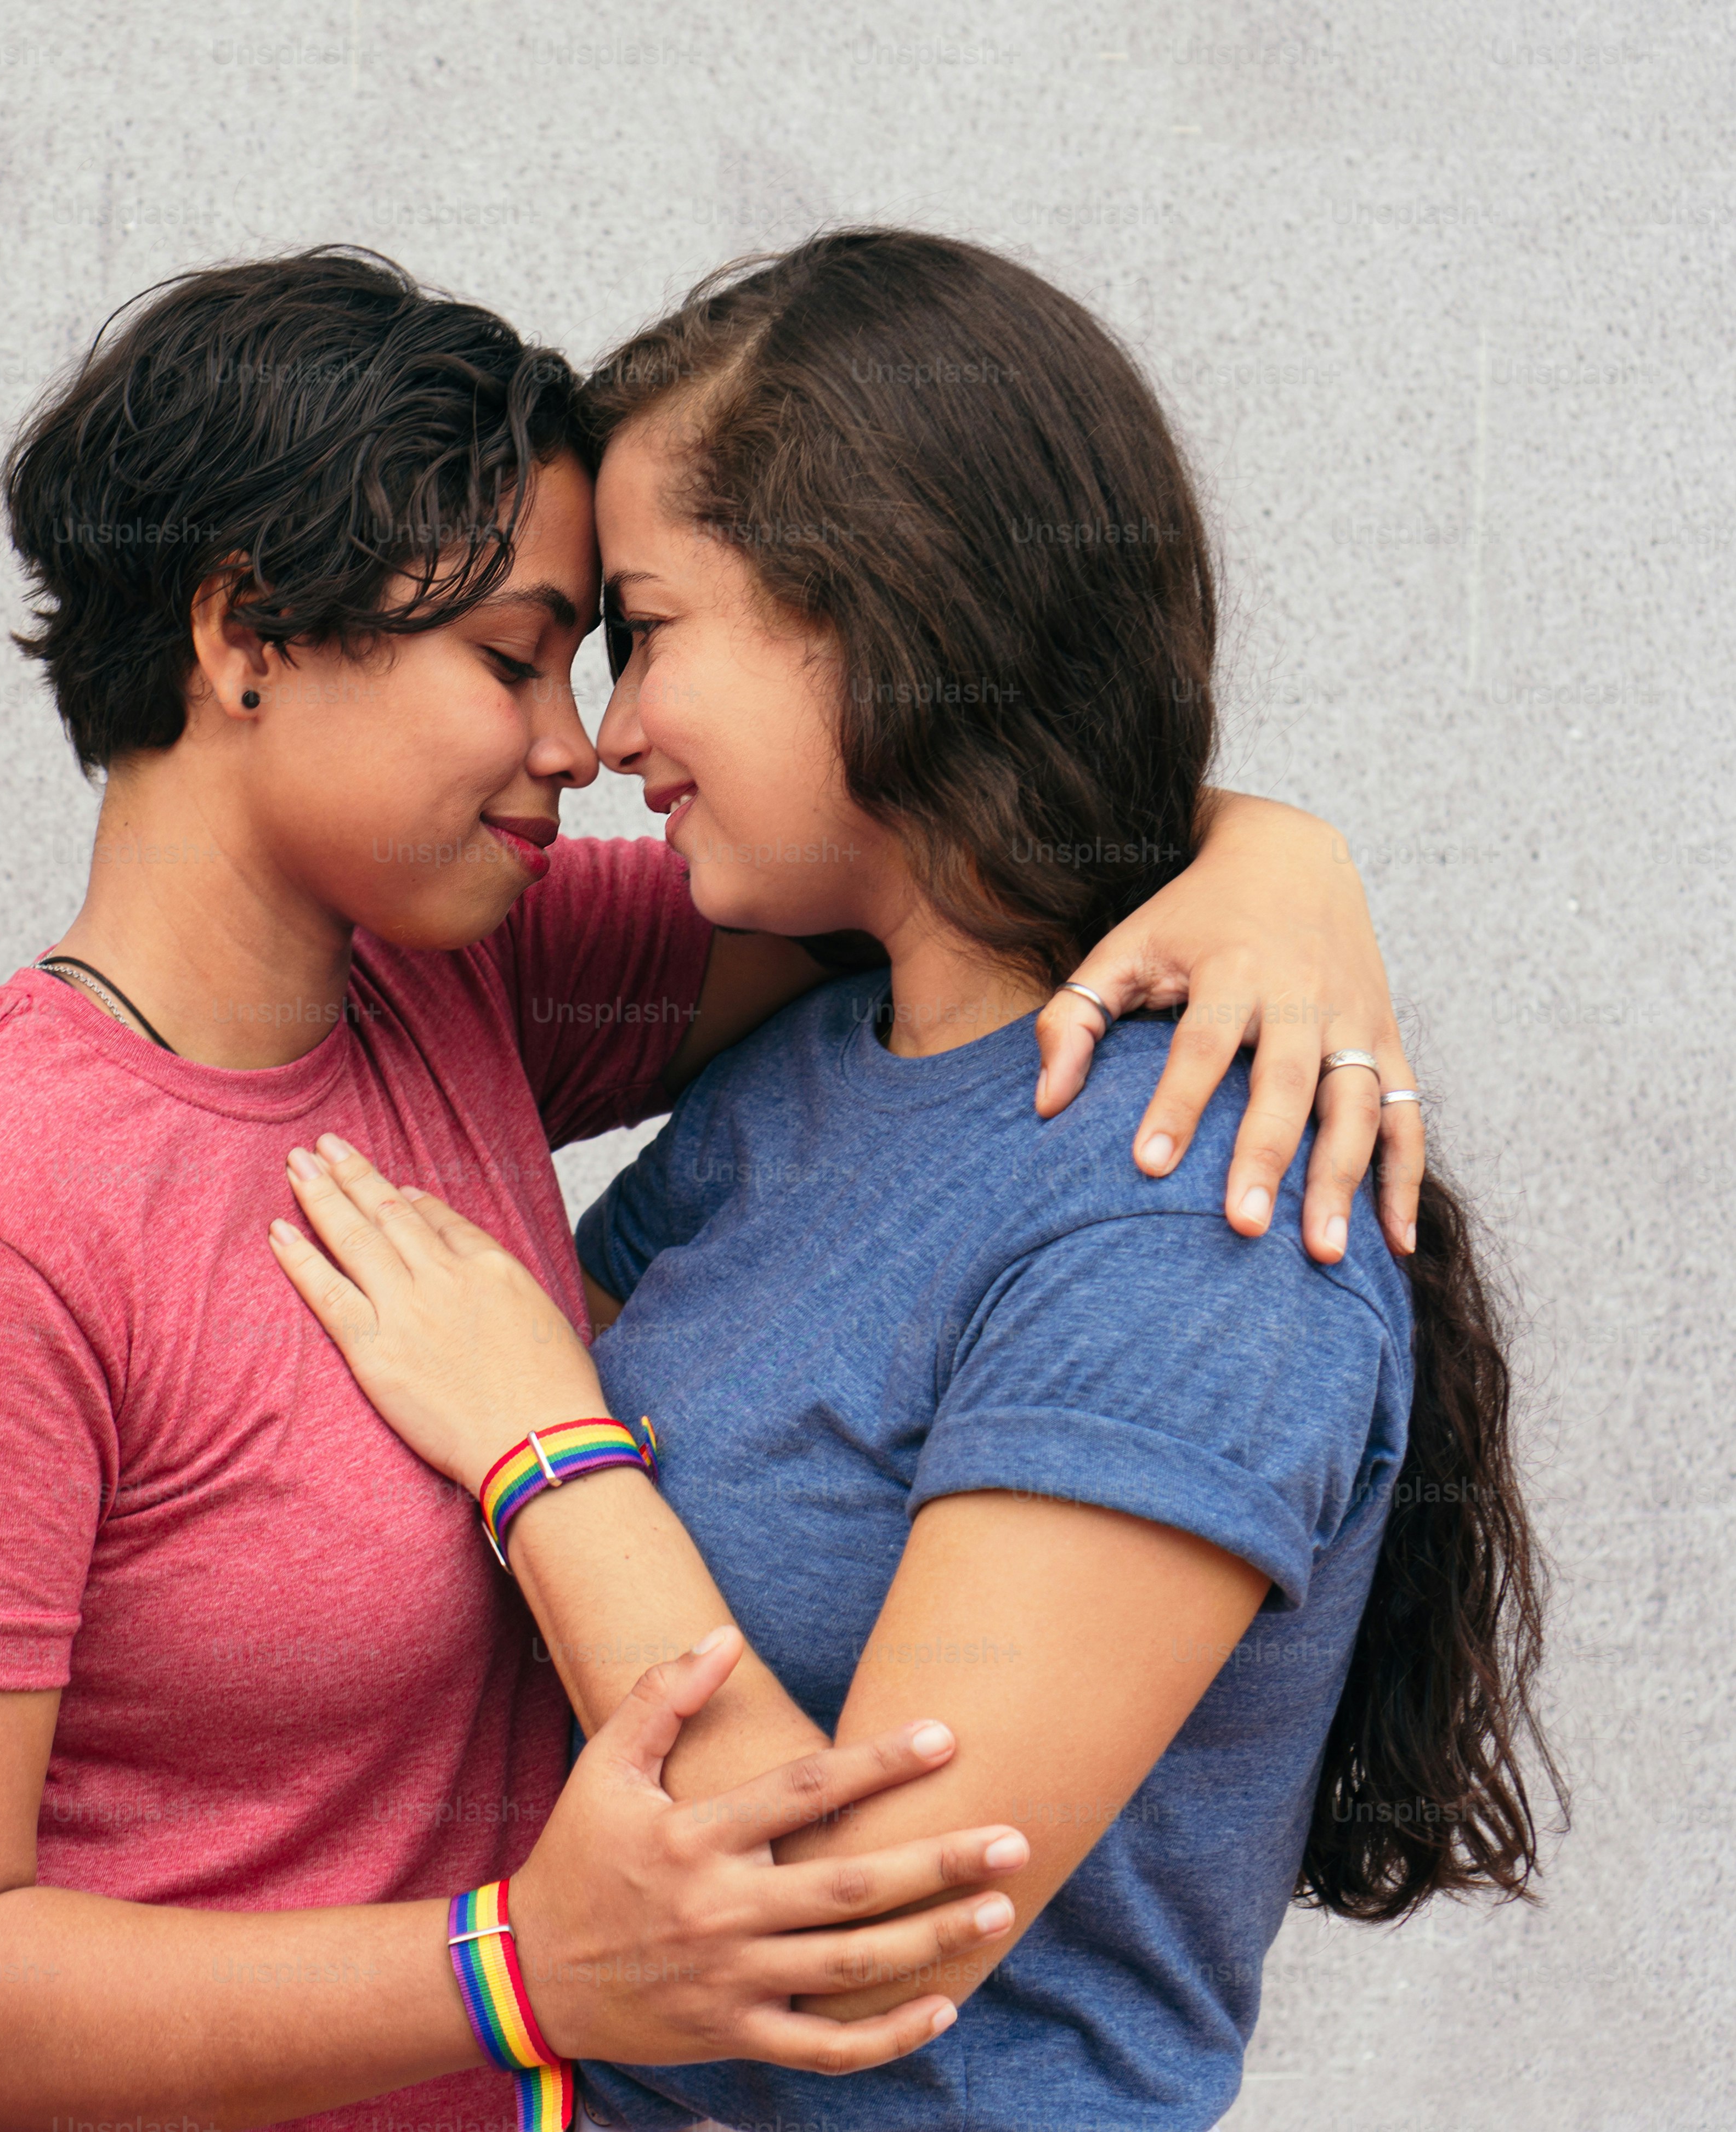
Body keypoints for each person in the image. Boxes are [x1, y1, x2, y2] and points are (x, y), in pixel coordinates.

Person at [0, 247, 1418, 2132]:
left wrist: (1284, 865)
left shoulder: (476, 990)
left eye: (617, 647)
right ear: (245, 639)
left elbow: (978, 823)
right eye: (517, 657)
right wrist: (516, 1971)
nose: (581, 745)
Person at [266, 230, 1550, 2132]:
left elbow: (855, 1939)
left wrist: (541, 1444)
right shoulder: (812, 1069)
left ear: (888, 615)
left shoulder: (1197, 1211)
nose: (610, 738)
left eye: (653, 631)